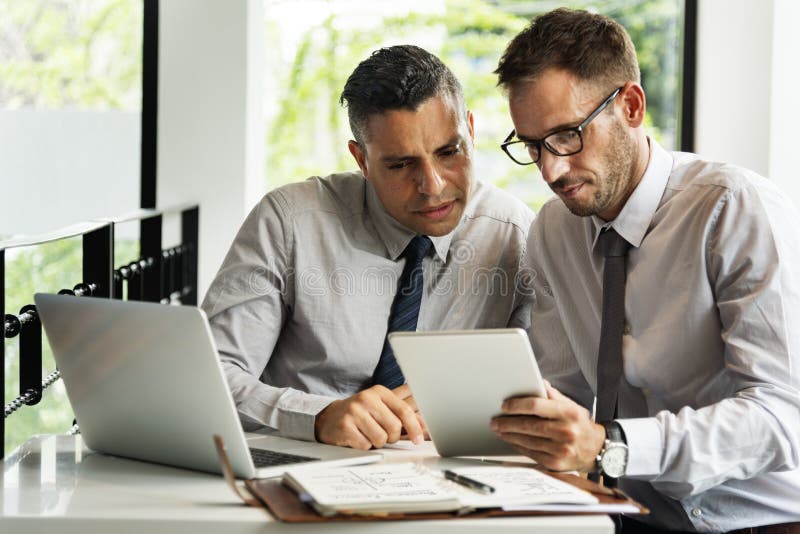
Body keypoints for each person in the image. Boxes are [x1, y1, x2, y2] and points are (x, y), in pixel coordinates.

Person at [490, 8, 800, 533]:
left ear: (631, 106)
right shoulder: (554, 230)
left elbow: (783, 417)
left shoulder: (732, 208)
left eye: (567, 135)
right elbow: (563, 392)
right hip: (625, 516)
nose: (550, 169)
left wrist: (613, 447)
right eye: (533, 145)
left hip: (757, 522)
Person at [202, 45, 534, 452]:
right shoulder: (290, 222)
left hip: (448, 474)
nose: (433, 185)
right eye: (400, 165)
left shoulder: (514, 234)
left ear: (469, 128)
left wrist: (474, 401)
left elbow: (550, 389)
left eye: (449, 152)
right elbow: (211, 377)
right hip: (303, 466)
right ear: (361, 159)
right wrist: (317, 416)